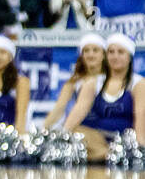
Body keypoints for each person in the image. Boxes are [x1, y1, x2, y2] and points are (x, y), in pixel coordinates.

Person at [62, 33, 145, 162]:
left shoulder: (138, 83)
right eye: (111, 52)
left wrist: (140, 147)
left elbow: (140, 118)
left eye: (120, 52)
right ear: (106, 56)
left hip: (127, 139)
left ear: (129, 57)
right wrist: (62, 136)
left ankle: (106, 156)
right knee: (75, 131)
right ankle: (109, 155)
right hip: (98, 139)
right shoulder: (94, 83)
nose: (115, 56)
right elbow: (77, 112)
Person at [43, 33, 106, 130]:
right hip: (79, 127)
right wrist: (43, 129)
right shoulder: (74, 82)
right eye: (86, 51)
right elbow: (59, 109)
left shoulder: (111, 80)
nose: (91, 54)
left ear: (103, 55)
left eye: (95, 50)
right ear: (81, 55)